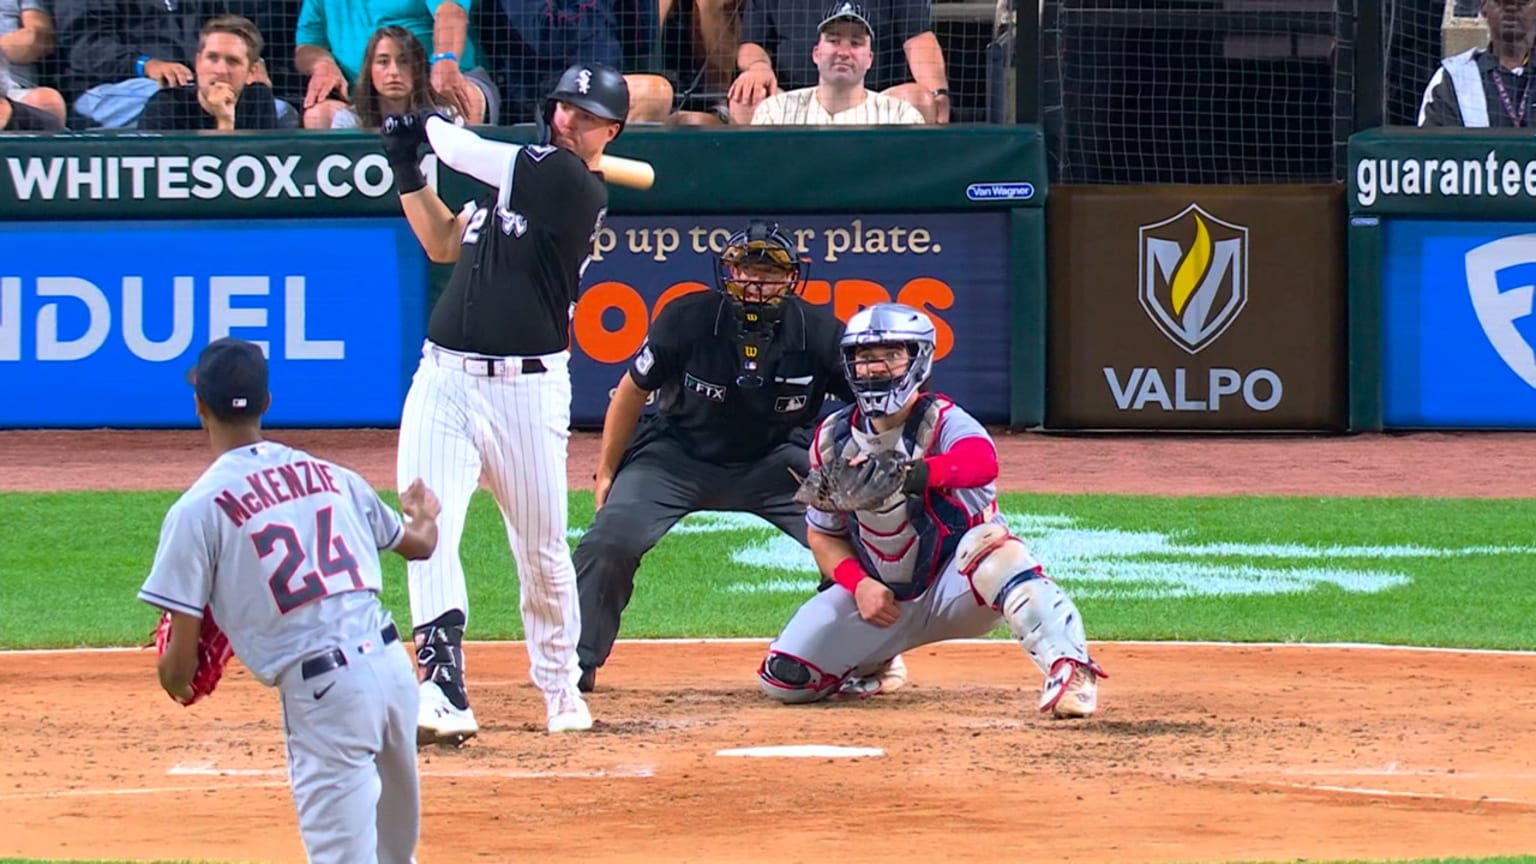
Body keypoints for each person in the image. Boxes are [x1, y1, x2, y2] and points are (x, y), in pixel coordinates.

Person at [378, 62, 627, 742]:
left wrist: (426, 124)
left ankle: (559, 686)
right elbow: (439, 242)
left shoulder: (572, 184)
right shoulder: (511, 184)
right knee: (426, 531)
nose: (566, 118)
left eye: (583, 113)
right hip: (445, 380)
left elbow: (462, 149)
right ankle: (443, 691)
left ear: (610, 131)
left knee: (542, 552)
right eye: (562, 107)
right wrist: (409, 171)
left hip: (528, 390)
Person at [572, 219, 908, 697]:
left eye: (770, 274)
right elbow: (631, 391)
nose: (756, 283)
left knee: (859, 543)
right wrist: (607, 470)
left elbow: (866, 404)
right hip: (674, 455)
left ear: (792, 279)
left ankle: (847, 658)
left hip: (777, 461)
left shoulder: (817, 332)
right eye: (746, 270)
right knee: (609, 541)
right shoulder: (684, 319)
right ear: (726, 272)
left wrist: (860, 464)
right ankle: (575, 663)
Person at [138, 336, 441, 864]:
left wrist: (176, 661)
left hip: (327, 695)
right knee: (396, 858)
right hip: (395, 672)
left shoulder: (197, 509)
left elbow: (178, 674)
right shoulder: (332, 475)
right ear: (267, 403)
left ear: (199, 407)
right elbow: (419, 546)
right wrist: (424, 514)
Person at [756, 303, 1107, 717]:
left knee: (991, 547)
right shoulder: (831, 439)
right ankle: (875, 664)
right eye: (864, 358)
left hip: (958, 590)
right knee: (786, 680)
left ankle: (1069, 667)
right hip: (884, 597)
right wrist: (858, 584)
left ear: (917, 359)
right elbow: (822, 533)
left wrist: (909, 475)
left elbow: (980, 462)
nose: (876, 368)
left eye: (891, 355)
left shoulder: (945, 421)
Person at [728, 0, 950, 125]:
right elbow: (752, 43)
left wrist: (938, 93)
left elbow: (918, 39)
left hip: (876, 101)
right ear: (816, 52)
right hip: (794, 103)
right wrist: (758, 67)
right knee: (746, 98)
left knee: (919, 100)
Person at [138, 15, 280, 131]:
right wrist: (224, 122)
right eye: (212, 58)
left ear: (251, 71)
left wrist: (225, 119)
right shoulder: (165, 105)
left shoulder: (258, 99)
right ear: (198, 62)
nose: (220, 70)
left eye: (233, 61)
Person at [1419, 0, 1536, 127]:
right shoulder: (1453, 77)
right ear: (1483, 7)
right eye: (1500, 1)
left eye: (1523, 1)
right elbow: (1433, 143)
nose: (1512, 7)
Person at [331, 25, 460, 130]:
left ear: (418, 68)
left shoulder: (445, 118)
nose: (394, 72)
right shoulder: (349, 121)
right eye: (383, 62)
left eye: (404, 61)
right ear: (369, 69)